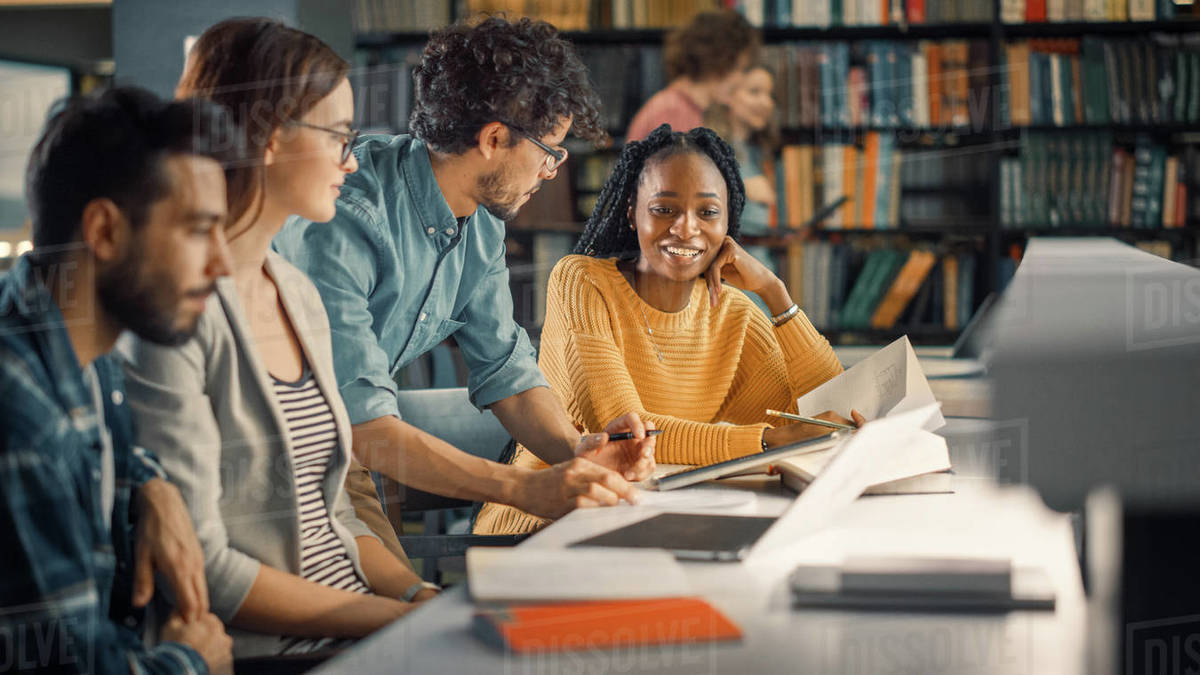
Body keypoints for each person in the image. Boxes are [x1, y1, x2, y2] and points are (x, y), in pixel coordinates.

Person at [118, 19, 435, 660]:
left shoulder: (297, 291)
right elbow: (206, 566)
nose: (352, 160)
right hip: (279, 652)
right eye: (340, 136)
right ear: (268, 136)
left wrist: (418, 595)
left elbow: (336, 516)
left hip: (360, 630)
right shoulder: (174, 315)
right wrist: (393, 620)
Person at [273, 16, 656, 532]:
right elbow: (364, 427)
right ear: (494, 138)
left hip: (343, 450)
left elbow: (507, 373)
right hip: (275, 457)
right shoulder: (347, 218)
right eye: (549, 153)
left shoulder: (480, 223)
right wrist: (522, 488)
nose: (550, 173)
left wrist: (581, 454)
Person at [475, 125, 862, 535]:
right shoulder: (582, 283)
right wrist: (767, 442)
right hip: (547, 518)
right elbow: (629, 433)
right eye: (664, 209)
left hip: (654, 514)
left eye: (708, 212)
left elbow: (825, 415)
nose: (686, 228)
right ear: (632, 212)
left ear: (728, 222)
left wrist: (775, 292)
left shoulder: (735, 314)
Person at [0, 87, 233, 673]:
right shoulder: (19, 417)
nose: (223, 263)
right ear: (104, 231)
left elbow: (112, 454)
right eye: (198, 230)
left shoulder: (81, 344)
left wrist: (151, 484)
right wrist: (192, 661)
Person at [704, 64, 782, 311]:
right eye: (754, 92)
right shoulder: (710, 148)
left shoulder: (759, 151)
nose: (766, 103)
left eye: (770, 95)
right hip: (730, 274)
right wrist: (743, 187)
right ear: (728, 95)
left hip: (760, 262)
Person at [625, 10, 760, 142]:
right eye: (738, 69)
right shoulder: (672, 112)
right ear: (716, 61)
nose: (740, 79)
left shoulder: (684, 108)